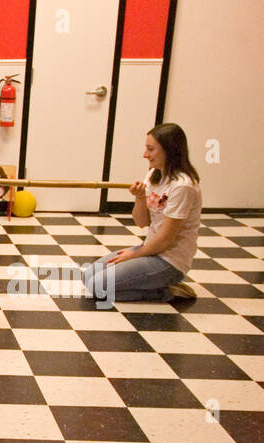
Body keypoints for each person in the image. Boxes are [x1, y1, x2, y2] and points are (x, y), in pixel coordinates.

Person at [81, 123, 201, 306]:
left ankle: (165, 291)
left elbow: (166, 240)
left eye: (151, 149)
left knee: (98, 287)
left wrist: (133, 255)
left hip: (170, 261)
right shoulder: (154, 174)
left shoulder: (183, 186)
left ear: (170, 150)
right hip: (152, 250)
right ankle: (149, 283)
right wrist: (139, 198)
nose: (145, 155)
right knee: (88, 275)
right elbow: (141, 222)